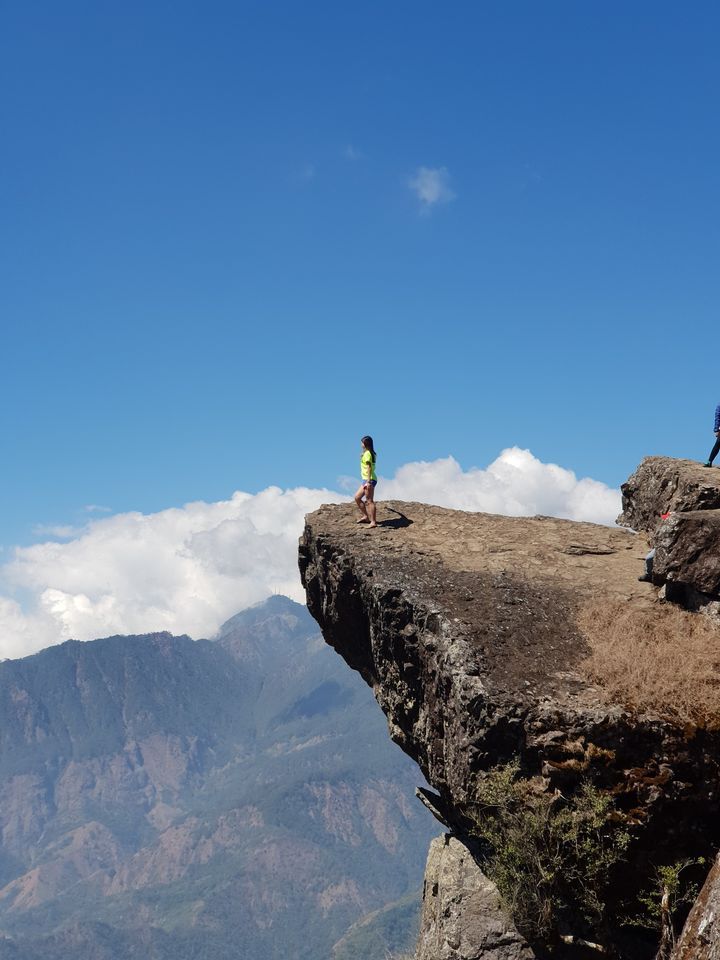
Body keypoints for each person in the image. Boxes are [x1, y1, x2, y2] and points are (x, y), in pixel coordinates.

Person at [355, 435, 378, 528]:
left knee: (369, 501)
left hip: (369, 479)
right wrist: (362, 455)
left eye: (362, 442)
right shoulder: (371, 453)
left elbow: (369, 467)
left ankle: (373, 522)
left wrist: (368, 482)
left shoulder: (368, 454)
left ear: (365, 443)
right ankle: (366, 517)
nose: (361, 444)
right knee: (357, 497)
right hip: (366, 479)